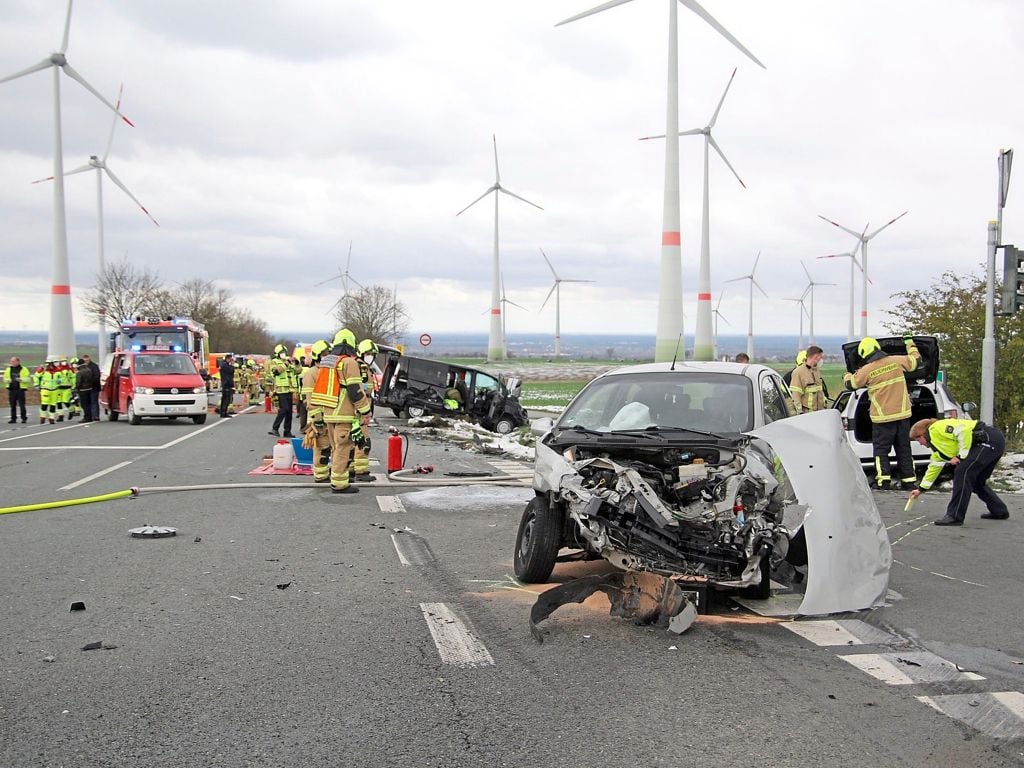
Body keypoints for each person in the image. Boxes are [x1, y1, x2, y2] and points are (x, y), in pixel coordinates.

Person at [844, 335, 921, 490]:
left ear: (864, 353)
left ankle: (883, 482)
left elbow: (851, 384)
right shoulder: (896, 361)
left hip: (882, 419)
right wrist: (909, 343)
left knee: (881, 451)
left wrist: (847, 375)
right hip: (903, 416)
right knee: (904, 449)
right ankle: (909, 481)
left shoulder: (867, 370)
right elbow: (916, 361)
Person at [907, 418, 1009, 526]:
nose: (920, 443)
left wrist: (961, 456)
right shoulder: (938, 450)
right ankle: (999, 511)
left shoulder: (936, 428)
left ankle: (954, 516)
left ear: (922, 434)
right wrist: (920, 489)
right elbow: (933, 469)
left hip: (988, 439)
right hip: (991, 443)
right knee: (976, 482)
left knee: (962, 472)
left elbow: (962, 431)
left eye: (918, 440)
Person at [310, 329, 371, 494]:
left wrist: (318, 415)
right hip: (344, 414)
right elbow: (355, 390)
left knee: (336, 448)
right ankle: (339, 484)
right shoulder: (349, 363)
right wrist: (365, 411)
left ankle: (338, 479)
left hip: (329, 414)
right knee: (343, 448)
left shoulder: (327, 363)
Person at [301, 340, 332, 483]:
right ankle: (320, 475)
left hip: (329, 416)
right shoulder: (312, 373)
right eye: (325, 353)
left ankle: (325, 472)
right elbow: (309, 400)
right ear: (317, 355)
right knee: (322, 447)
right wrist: (317, 419)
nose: (327, 356)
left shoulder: (328, 371)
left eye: (328, 353)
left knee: (329, 447)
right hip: (318, 417)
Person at [268, 344, 299, 438]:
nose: (284, 354)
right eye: (282, 353)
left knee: (289, 412)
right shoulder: (274, 362)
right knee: (283, 410)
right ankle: (275, 428)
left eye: (284, 352)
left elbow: (298, 371)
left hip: (290, 389)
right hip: (281, 390)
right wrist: (286, 363)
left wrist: (297, 363)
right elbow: (276, 371)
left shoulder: (289, 362)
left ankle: (287, 431)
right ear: (277, 354)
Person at [789, 345, 826, 414]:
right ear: (815, 357)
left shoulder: (816, 371)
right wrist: (799, 412)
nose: (821, 360)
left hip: (819, 413)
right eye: (820, 357)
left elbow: (820, 392)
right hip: (807, 414)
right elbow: (796, 395)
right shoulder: (799, 372)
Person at [4, 356, 29, 423]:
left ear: (18, 361)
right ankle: (13, 419)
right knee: (12, 405)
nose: (12, 362)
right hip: (12, 389)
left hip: (20, 389)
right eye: (11, 361)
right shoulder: (8, 369)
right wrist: (7, 381)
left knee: (22, 405)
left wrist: (21, 379)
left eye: (13, 361)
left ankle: (24, 418)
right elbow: (5, 378)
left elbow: (28, 379)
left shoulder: (24, 369)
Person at [75, 358, 97, 422]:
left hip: (82, 390)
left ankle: (87, 417)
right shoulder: (89, 370)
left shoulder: (79, 372)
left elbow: (78, 382)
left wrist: (77, 388)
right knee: (89, 403)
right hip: (89, 388)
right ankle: (90, 416)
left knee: (84, 405)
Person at [81, 354, 102, 420]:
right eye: (85, 360)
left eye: (87, 360)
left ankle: (95, 416)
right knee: (87, 402)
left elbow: (97, 376)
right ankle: (89, 416)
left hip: (94, 387)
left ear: (89, 359)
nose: (86, 361)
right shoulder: (82, 367)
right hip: (86, 388)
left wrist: (89, 381)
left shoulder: (94, 366)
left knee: (94, 401)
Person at [217, 353, 235, 419]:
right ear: (228, 359)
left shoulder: (224, 364)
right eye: (230, 359)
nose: (231, 361)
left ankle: (224, 412)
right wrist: (232, 365)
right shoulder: (225, 365)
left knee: (226, 399)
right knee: (226, 399)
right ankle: (223, 412)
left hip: (227, 383)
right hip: (226, 383)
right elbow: (231, 371)